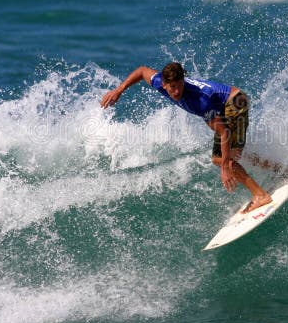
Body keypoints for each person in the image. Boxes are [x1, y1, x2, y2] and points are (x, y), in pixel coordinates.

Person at [100, 62, 272, 213]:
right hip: (232, 101)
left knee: (222, 159)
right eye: (172, 87)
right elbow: (142, 70)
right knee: (230, 155)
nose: (176, 91)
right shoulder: (159, 82)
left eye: (179, 85)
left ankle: (260, 195)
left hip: (236, 104)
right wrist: (119, 90)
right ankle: (276, 167)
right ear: (164, 84)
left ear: (183, 81)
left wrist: (225, 167)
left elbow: (224, 132)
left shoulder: (199, 100)